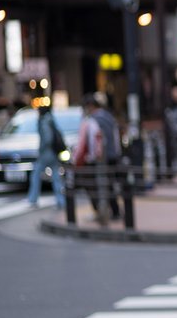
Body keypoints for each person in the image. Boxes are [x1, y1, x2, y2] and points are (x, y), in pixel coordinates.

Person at [72, 95, 113, 223]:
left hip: (95, 160)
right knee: (109, 185)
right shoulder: (109, 117)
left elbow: (89, 142)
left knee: (94, 187)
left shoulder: (91, 121)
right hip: (112, 157)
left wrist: (80, 158)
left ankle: (101, 212)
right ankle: (113, 211)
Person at [27, 105, 65, 208]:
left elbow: (47, 138)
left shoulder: (44, 121)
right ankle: (61, 200)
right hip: (53, 153)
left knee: (35, 175)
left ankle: (33, 198)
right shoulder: (51, 119)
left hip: (46, 154)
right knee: (56, 177)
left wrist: (42, 150)